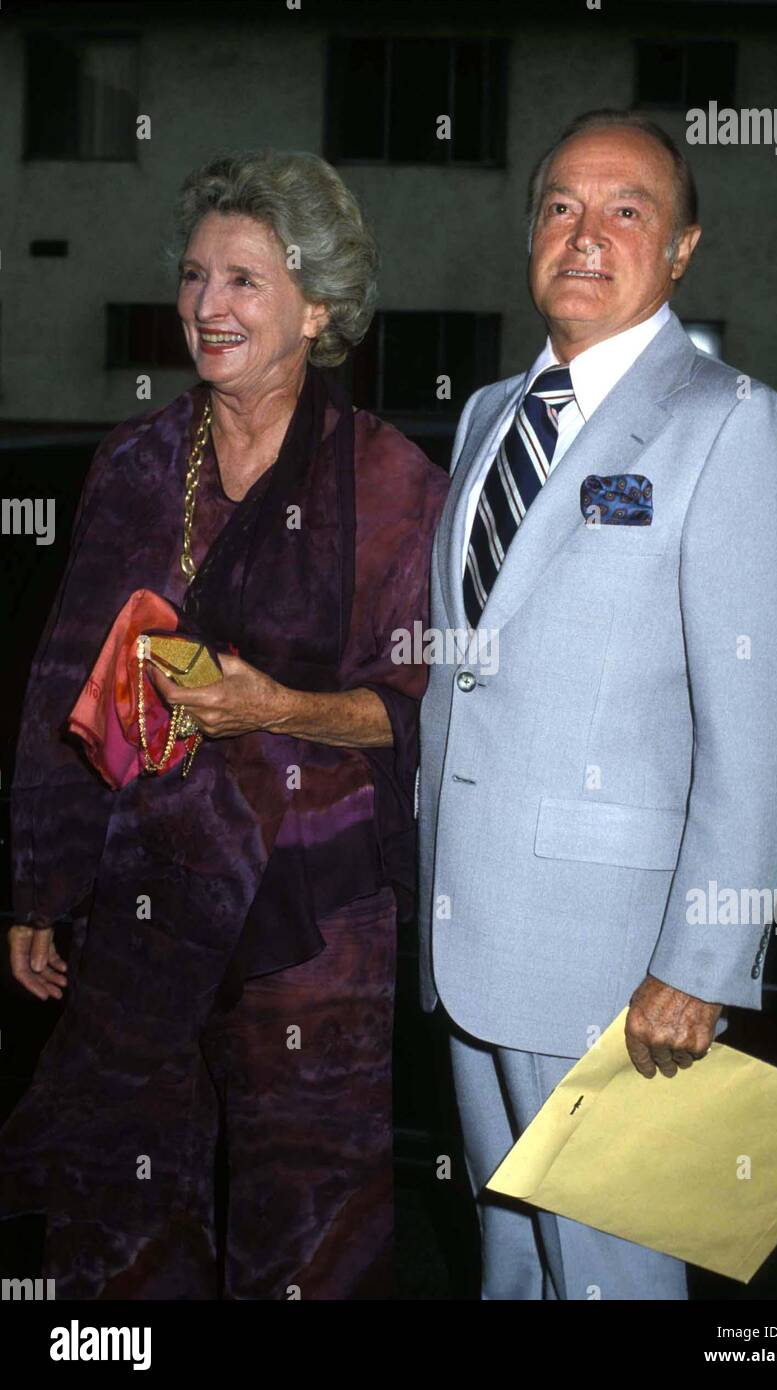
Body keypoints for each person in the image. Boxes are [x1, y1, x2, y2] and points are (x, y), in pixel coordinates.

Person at [0, 149, 448, 1299]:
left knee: (308, 1214)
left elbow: (418, 710)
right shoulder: (140, 462)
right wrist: (39, 887)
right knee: (123, 1204)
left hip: (311, 920)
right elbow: (62, 681)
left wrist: (276, 708)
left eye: (246, 280)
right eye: (197, 277)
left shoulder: (392, 482)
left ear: (322, 306)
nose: (208, 306)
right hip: (139, 897)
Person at [417, 109, 777, 1300]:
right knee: (514, 1266)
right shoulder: (489, 415)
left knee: (614, 1279)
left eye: (626, 210)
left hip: (622, 968)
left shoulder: (731, 425)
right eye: (558, 207)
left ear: (683, 247)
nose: (584, 234)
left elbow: (765, 730)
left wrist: (701, 961)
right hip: (471, 936)